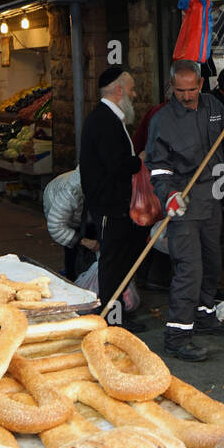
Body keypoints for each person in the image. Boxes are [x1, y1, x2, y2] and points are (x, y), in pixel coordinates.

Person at [145, 58, 224, 362]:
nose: (187, 96)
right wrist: (169, 195)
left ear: (201, 84)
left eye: (192, 89)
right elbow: (158, 169)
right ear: (172, 86)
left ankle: (204, 315)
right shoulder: (162, 121)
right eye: (180, 91)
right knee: (189, 269)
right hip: (184, 203)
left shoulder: (212, 106)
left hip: (211, 199)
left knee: (211, 262)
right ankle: (177, 336)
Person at [79, 66, 144, 319]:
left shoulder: (108, 118)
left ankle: (118, 313)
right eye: (131, 89)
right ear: (119, 91)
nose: (134, 95)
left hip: (115, 203)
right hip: (108, 204)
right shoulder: (104, 121)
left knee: (118, 260)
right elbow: (116, 164)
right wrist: (139, 161)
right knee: (112, 262)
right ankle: (111, 318)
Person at [42, 167, 99, 281]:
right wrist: (84, 241)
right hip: (61, 214)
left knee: (93, 236)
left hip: (85, 211)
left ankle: (90, 277)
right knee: (72, 248)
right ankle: (73, 280)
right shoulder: (69, 192)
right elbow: (56, 227)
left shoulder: (102, 181)